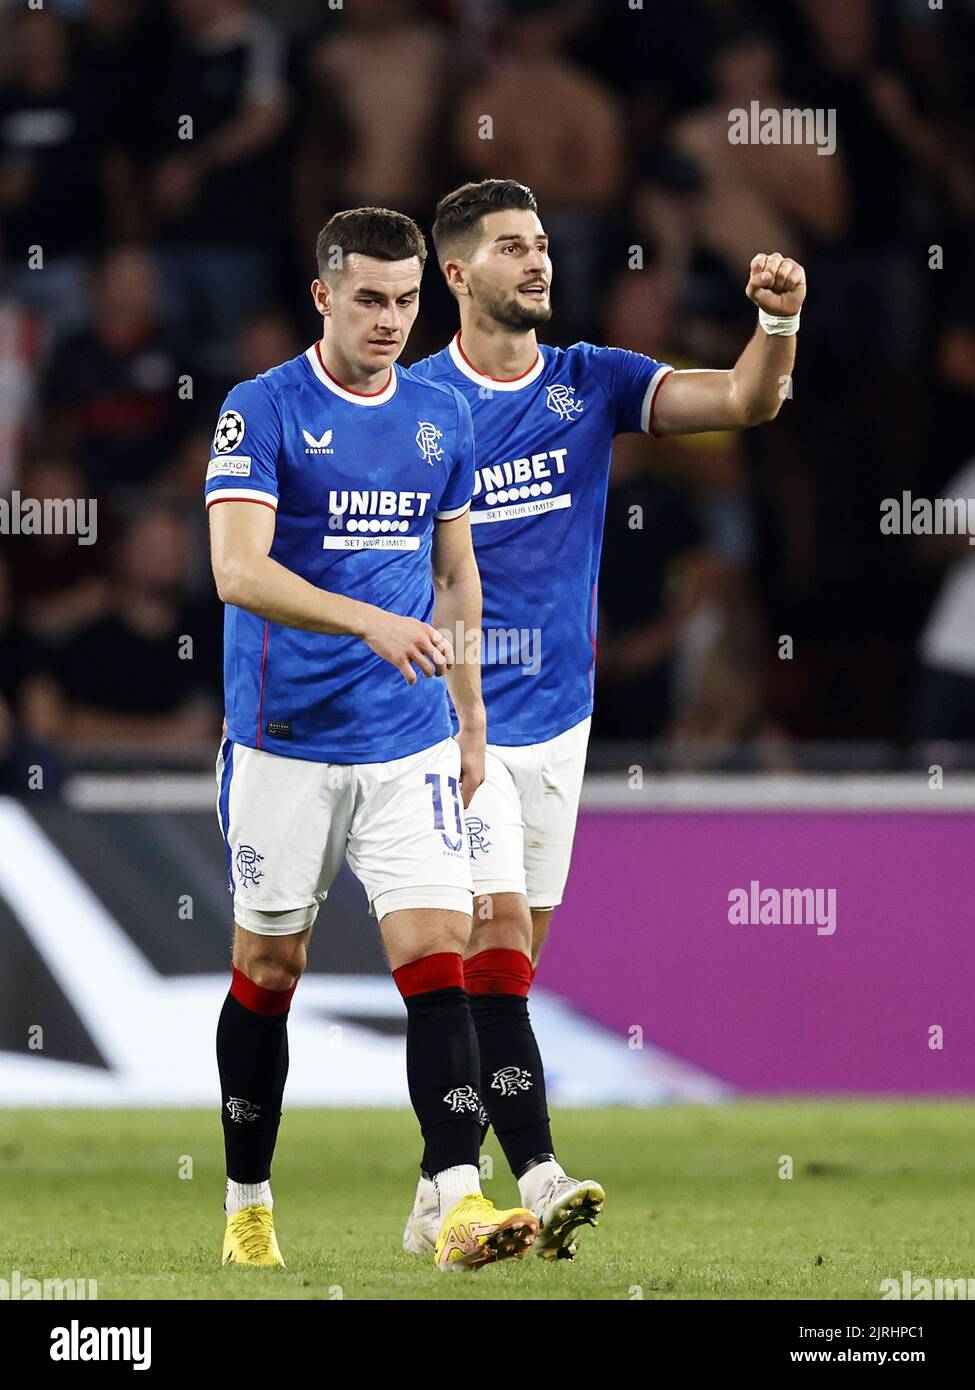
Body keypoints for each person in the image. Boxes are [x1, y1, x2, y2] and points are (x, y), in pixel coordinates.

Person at [403, 178, 805, 1260]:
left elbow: (746, 403)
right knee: (486, 950)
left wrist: (778, 323)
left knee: (514, 964)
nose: (537, 261)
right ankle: (536, 1170)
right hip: (451, 721)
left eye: (540, 244)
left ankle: (440, 1184)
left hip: (562, 723)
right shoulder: (411, 405)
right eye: (509, 248)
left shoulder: (592, 382)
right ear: (455, 275)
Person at [207, 206, 539, 1272]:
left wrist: (472, 721)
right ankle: (247, 1199)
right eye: (369, 300)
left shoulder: (442, 416)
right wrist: (366, 620)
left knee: (438, 962)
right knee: (269, 966)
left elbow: (456, 576)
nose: (391, 320)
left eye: (406, 300)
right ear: (324, 295)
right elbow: (236, 571)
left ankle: (457, 1201)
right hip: (285, 739)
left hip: (407, 744)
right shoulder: (260, 409)